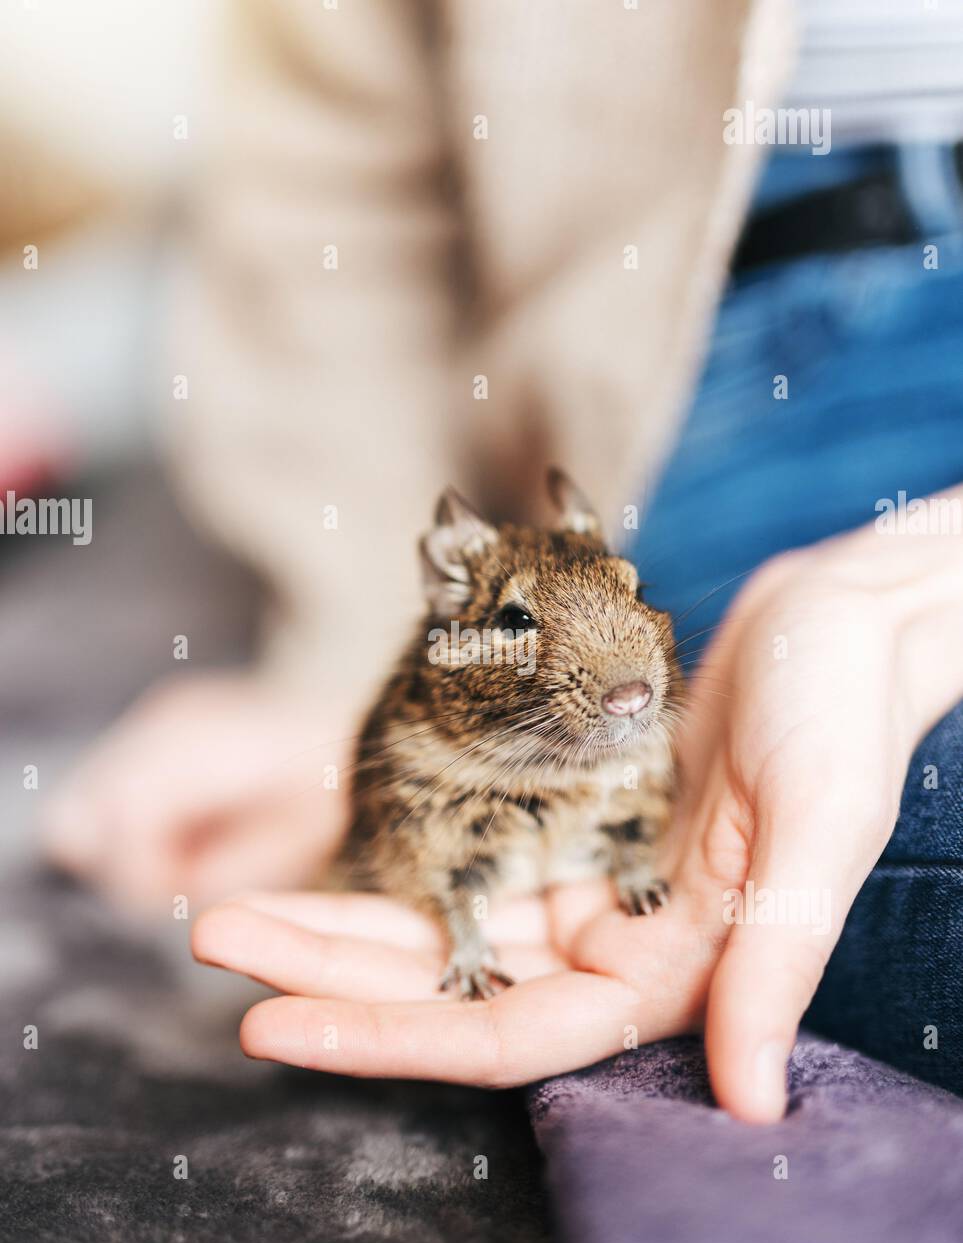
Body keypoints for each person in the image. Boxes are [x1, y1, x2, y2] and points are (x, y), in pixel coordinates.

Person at [43, 0, 963, 1123]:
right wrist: (340, 642)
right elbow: (341, 182)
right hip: (753, 303)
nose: (626, 683)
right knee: (821, 822)